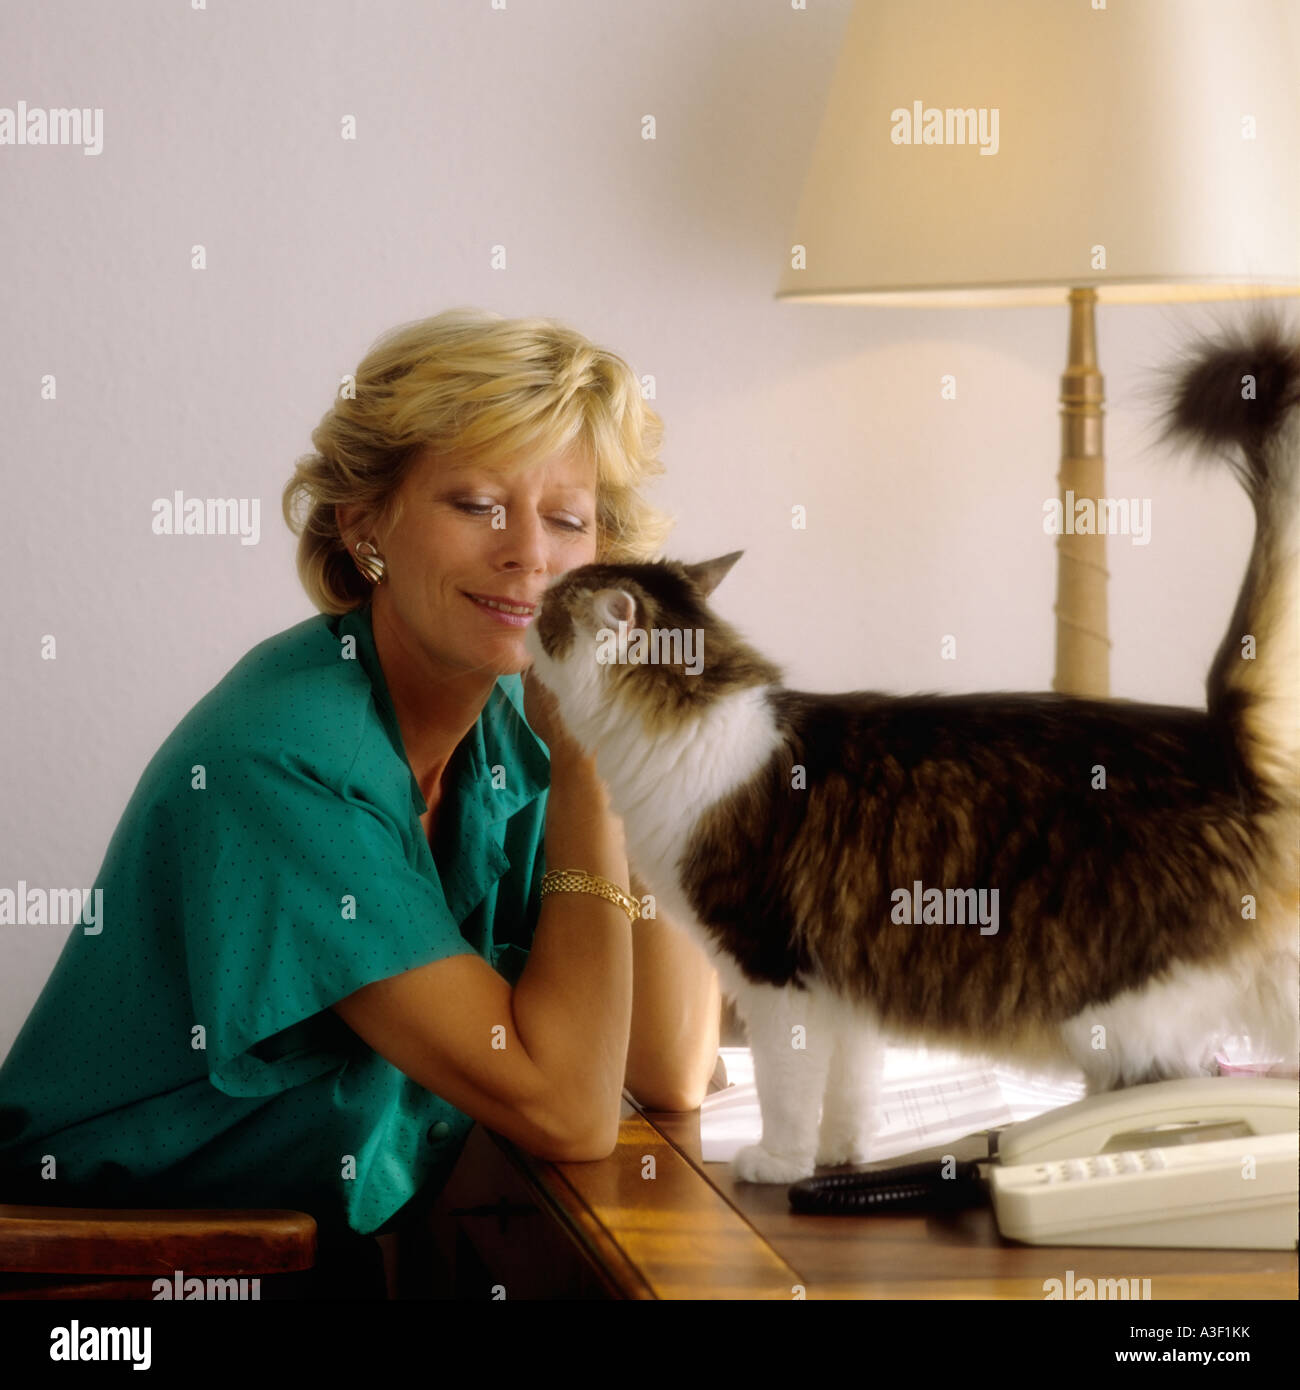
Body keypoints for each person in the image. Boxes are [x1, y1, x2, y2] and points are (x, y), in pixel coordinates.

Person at [0, 307, 722, 1298]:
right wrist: (595, 771)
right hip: (112, 1269)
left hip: (317, 1251)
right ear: (364, 521)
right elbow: (569, 1109)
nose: (530, 555)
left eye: (567, 517)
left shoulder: (513, 719)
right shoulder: (283, 762)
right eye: (475, 503)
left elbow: (669, 1066)